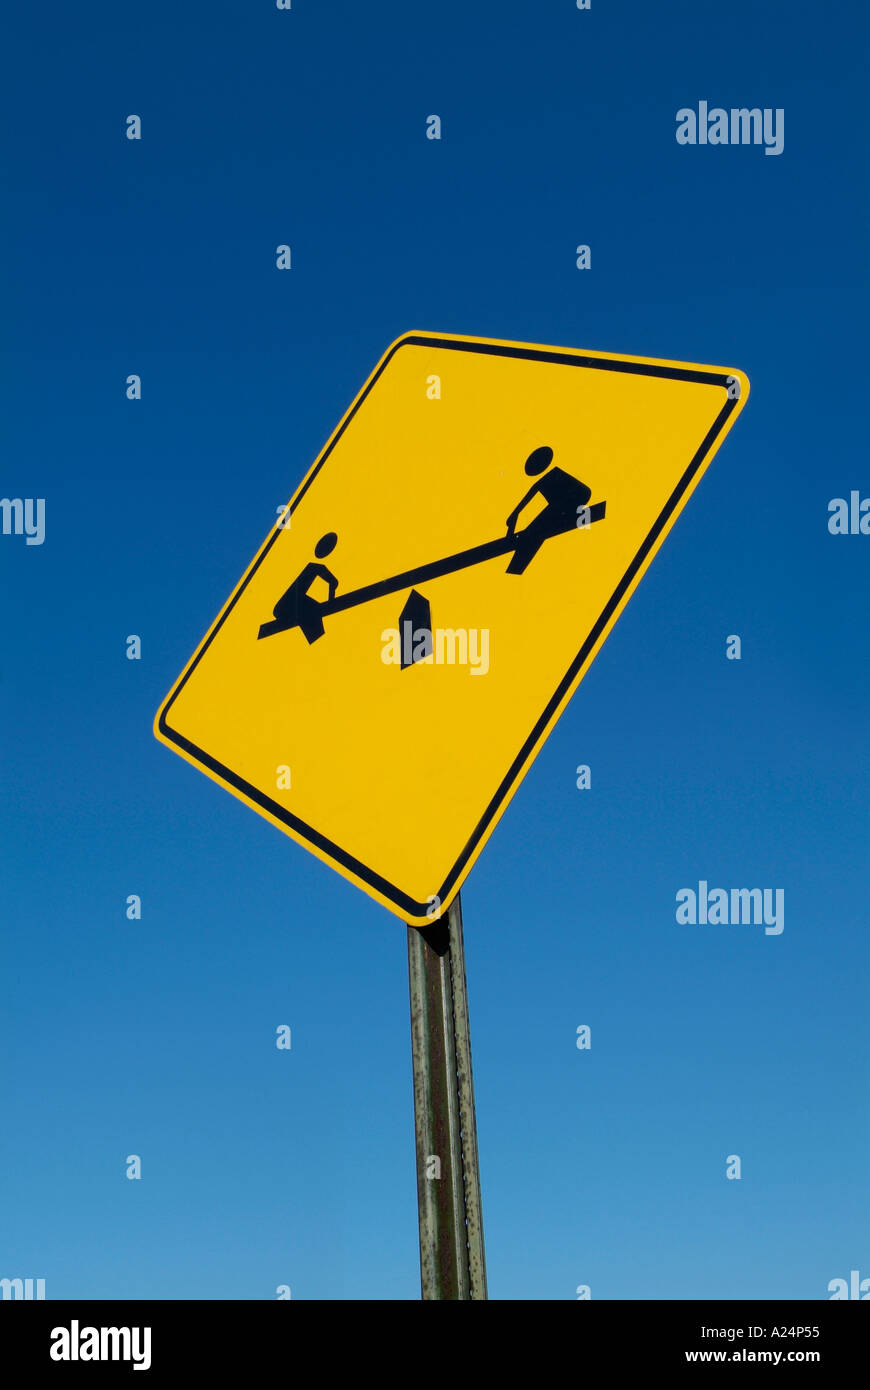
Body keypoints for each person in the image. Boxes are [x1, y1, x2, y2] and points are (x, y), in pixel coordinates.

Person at [505, 446, 592, 574]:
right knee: (534, 531)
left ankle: (515, 569)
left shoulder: (553, 475)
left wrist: (514, 517)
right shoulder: (547, 479)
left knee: (534, 530)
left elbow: (522, 505)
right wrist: (513, 517)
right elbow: (523, 504)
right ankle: (514, 569)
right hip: (564, 504)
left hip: (573, 499)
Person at [270, 532, 339, 643]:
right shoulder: (313, 568)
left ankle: (320, 644)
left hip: (288, 607)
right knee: (314, 610)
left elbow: (333, 582)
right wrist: (331, 600)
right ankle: (319, 643)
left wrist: (332, 598)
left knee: (313, 610)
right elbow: (332, 581)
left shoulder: (313, 569)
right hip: (285, 608)